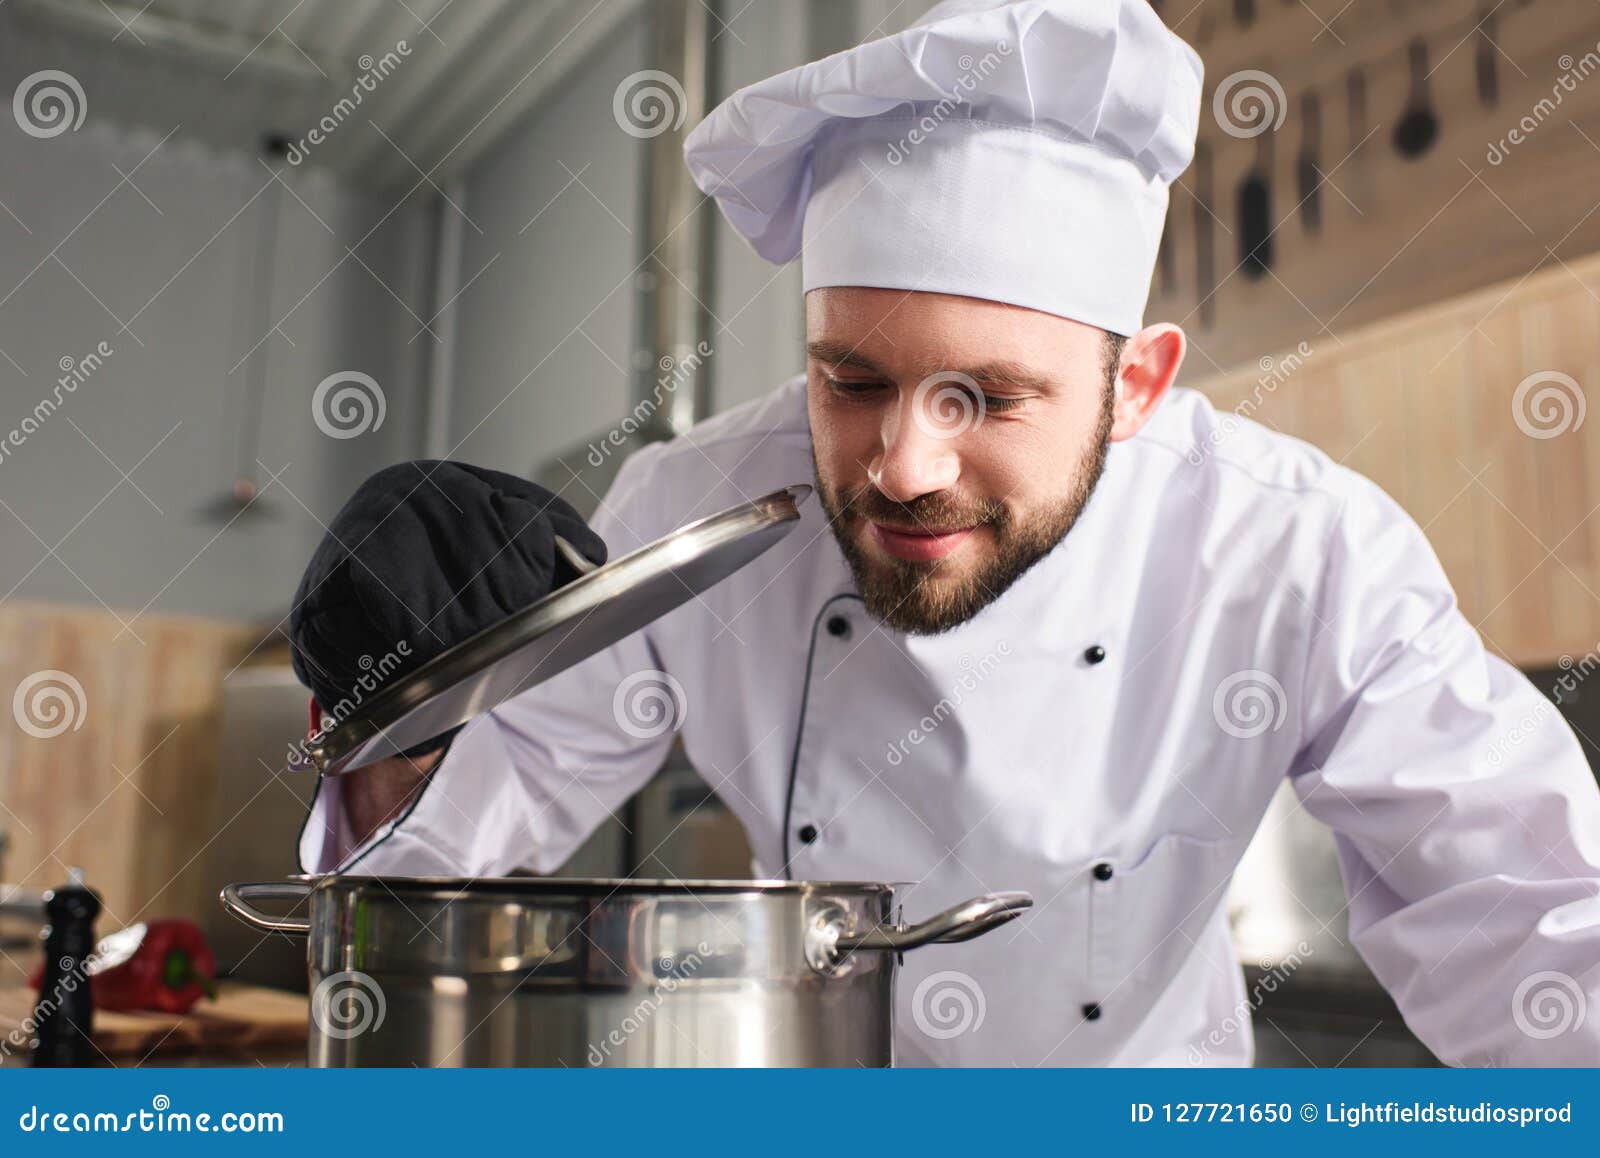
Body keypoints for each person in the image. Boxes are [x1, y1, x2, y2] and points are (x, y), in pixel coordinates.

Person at [288, 0, 1600, 1065]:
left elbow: (1531, 924)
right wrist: (409, 708)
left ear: (1135, 384)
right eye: (850, 380)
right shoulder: (695, 514)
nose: (903, 466)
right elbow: (439, 867)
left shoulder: (1298, 551)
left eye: (987, 396)